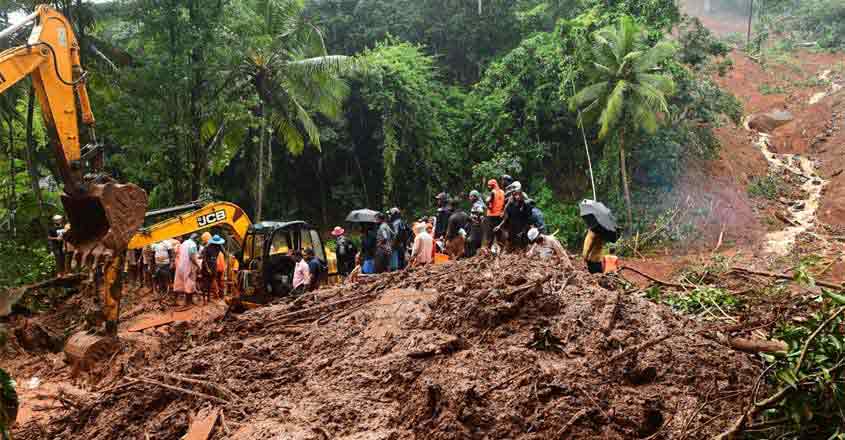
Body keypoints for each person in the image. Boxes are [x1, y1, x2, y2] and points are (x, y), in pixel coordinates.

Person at [174, 234, 201, 305]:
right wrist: (198, 265)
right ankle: (188, 302)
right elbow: (192, 257)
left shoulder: (183, 243)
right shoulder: (193, 244)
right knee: (190, 283)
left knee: (183, 283)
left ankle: (179, 300)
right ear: (196, 238)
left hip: (181, 266)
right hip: (189, 266)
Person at [200, 235, 225, 300]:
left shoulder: (218, 247)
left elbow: (224, 252)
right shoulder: (207, 248)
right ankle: (204, 299)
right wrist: (207, 268)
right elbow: (204, 259)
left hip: (214, 266)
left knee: (212, 282)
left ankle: (209, 298)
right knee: (205, 283)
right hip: (207, 266)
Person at [485, 179, 505, 247]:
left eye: (489, 185)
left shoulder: (493, 192)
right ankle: (502, 248)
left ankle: (488, 249)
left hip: (491, 215)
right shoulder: (502, 192)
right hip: (499, 216)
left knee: (490, 234)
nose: (488, 187)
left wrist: (489, 207)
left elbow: (487, 201)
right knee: (499, 233)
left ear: (493, 185)